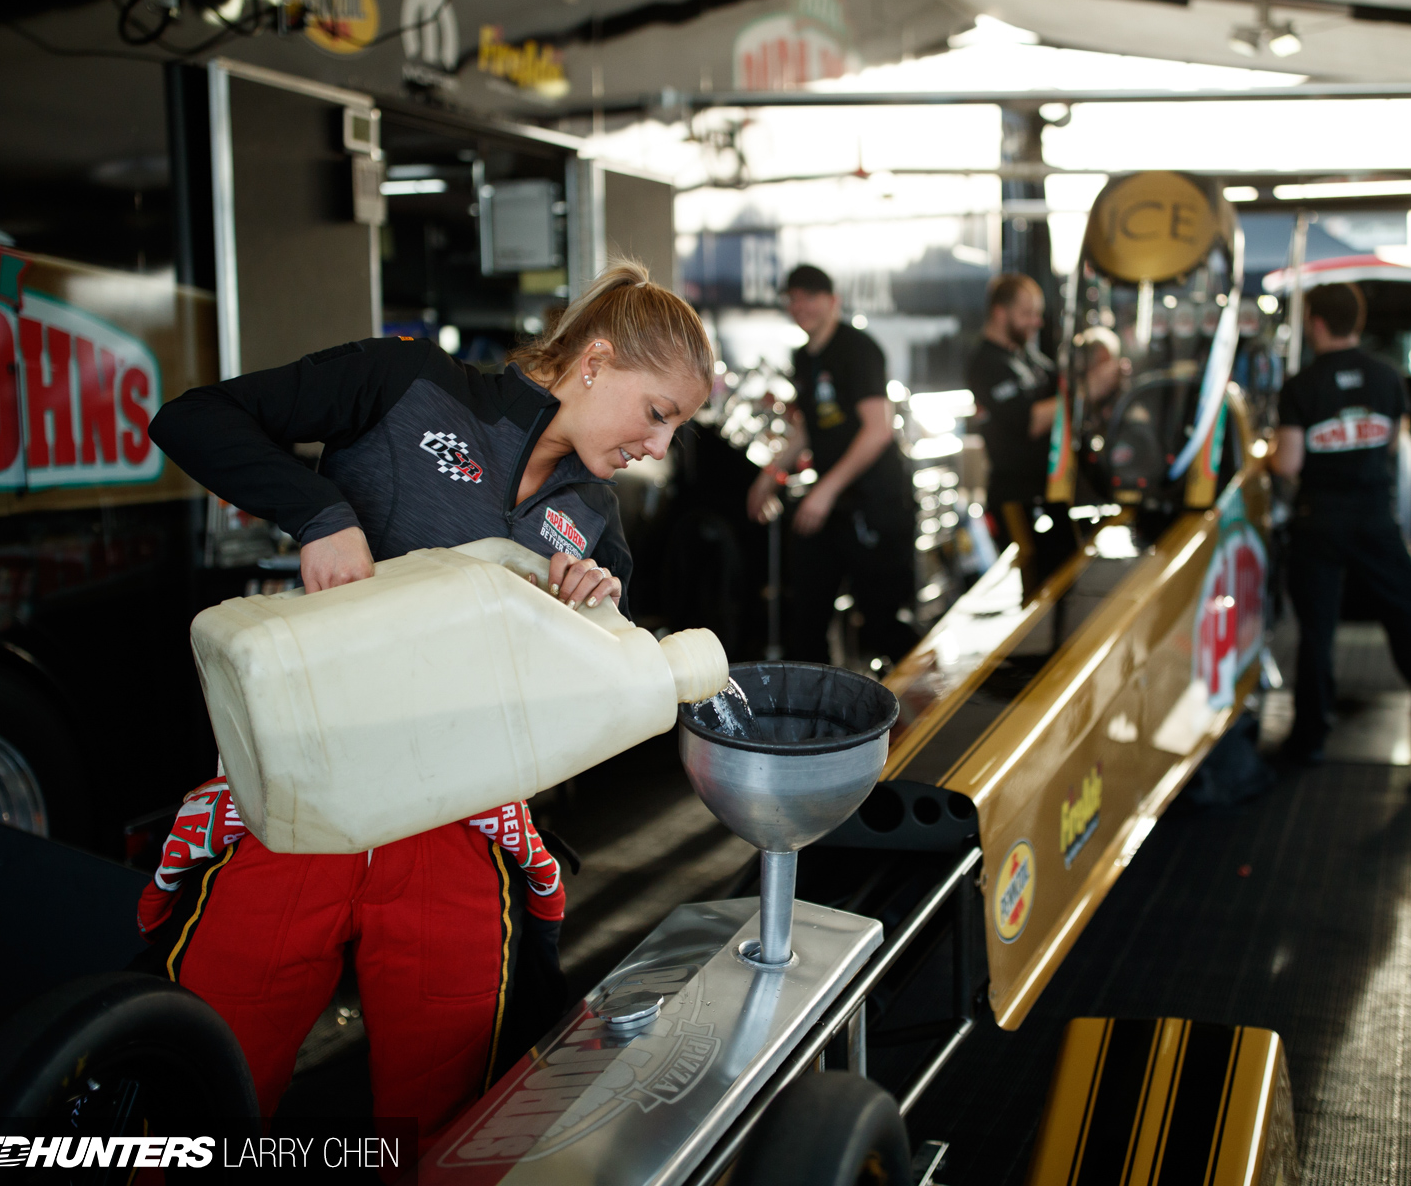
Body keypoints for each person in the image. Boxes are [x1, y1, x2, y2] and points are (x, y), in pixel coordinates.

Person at [137, 261, 712, 1149]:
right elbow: (192, 417)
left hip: (461, 827)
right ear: (595, 361)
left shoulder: (594, 519)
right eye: (659, 412)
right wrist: (320, 514)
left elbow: (600, 692)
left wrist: (591, 614)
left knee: (450, 1129)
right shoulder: (410, 383)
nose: (660, 447)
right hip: (300, 803)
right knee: (198, 1096)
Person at [1272, 282, 1411, 764]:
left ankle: (1310, 737)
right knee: (1406, 617)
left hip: (1320, 520)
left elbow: (1288, 464)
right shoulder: (1388, 378)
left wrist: (1269, 459)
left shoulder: (1301, 387)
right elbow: (1395, 445)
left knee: (1318, 632)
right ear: (1356, 321)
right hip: (1376, 516)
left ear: (1315, 322)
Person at [746, 264, 918, 667]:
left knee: (883, 625)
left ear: (833, 300)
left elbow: (878, 429)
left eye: (808, 296)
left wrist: (824, 490)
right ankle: (818, 721)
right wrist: (768, 477)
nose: (799, 305)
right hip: (836, 508)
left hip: (876, 505)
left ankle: (935, 713)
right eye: (792, 298)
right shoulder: (805, 357)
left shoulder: (857, 348)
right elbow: (809, 428)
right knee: (805, 621)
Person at [967, 274, 1118, 593]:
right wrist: (1090, 389)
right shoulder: (986, 363)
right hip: (1017, 498)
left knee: (1069, 582)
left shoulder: (1030, 359)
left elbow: (1065, 390)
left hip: (1052, 491)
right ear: (1000, 312)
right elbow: (1029, 422)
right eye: (1027, 313)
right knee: (1037, 591)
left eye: (1037, 313)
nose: (1036, 322)